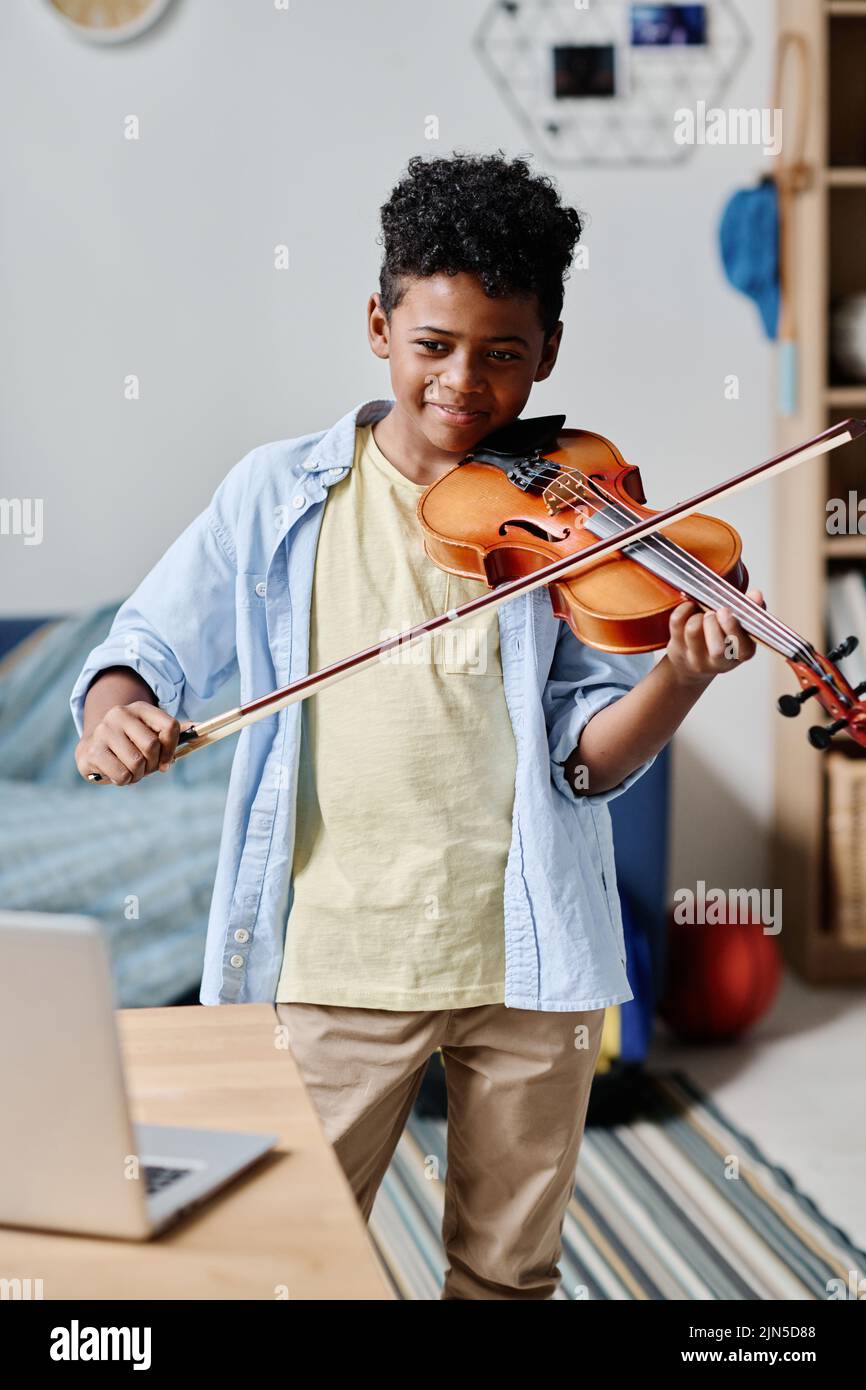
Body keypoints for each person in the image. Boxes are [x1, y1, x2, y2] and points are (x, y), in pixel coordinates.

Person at [70, 151, 763, 1300]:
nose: (463, 383)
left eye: (501, 355)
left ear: (547, 352)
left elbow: (584, 766)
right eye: (432, 346)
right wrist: (118, 710)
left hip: (528, 962)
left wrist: (675, 682)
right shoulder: (277, 493)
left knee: (506, 1277)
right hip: (339, 962)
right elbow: (141, 647)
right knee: (281, 1266)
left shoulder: (574, 519)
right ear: (377, 324)